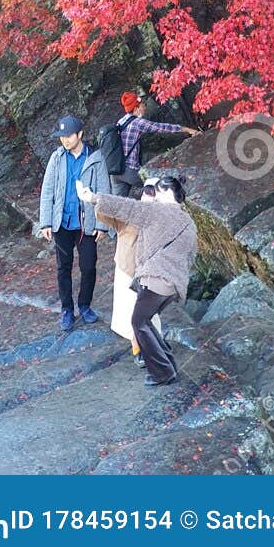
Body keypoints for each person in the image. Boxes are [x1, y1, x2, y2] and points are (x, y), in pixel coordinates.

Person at [79, 172, 197, 387]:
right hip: (172, 286)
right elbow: (191, 255)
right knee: (146, 322)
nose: (155, 196)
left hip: (155, 280)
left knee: (138, 322)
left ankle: (163, 373)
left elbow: (126, 207)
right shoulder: (188, 222)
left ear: (167, 192)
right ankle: (167, 364)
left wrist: (93, 198)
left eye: (157, 192)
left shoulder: (157, 211)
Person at [38, 114, 111, 331]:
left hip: (86, 223)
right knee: (64, 267)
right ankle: (67, 309)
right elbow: (47, 190)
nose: (65, 140)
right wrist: (45, 222)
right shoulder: (57, 158)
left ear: (80, 134)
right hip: (62, 222)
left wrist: (102, 223)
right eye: (62, 136)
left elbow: (104, 191)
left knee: (88, 266)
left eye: (68, 136)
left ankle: (85, 305)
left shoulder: (95, 158)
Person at [104, 178, 163, 361]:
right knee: (128, 310)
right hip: (126, 268)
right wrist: (93, 199)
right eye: (147, 192)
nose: (149, 197)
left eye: (153, 194)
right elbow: (107, 214)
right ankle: (138, 348)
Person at [110, 90, 200, 196]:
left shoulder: (121, 122)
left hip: (115, 172)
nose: (144, 107)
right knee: (159, 188)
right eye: (142, 105)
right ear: (136, 109)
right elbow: (162, 127)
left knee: (118, 203)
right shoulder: (138, 123)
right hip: (130, 170)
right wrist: (188, 130)